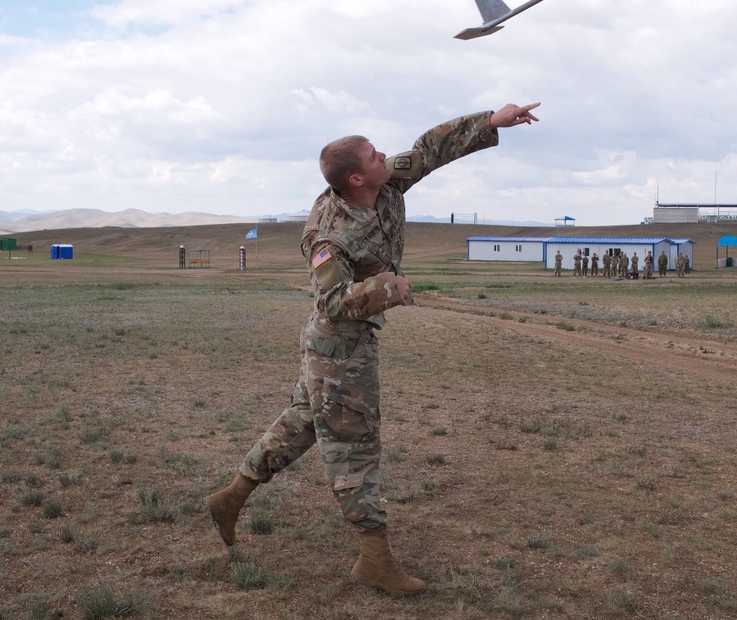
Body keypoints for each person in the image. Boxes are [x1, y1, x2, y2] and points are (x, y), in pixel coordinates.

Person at [206, 101, 541, 597]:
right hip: (337, 347)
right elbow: (334, 300)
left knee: (302, 423)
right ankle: (373, 558)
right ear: (357, 178)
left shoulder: (384, 184)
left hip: (349, 341)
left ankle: (232, 496)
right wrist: (389, 287)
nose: (385, 155)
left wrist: (490, 122)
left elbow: (429, 150)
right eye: (374, 154)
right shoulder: (328, 236)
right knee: (353, 445)